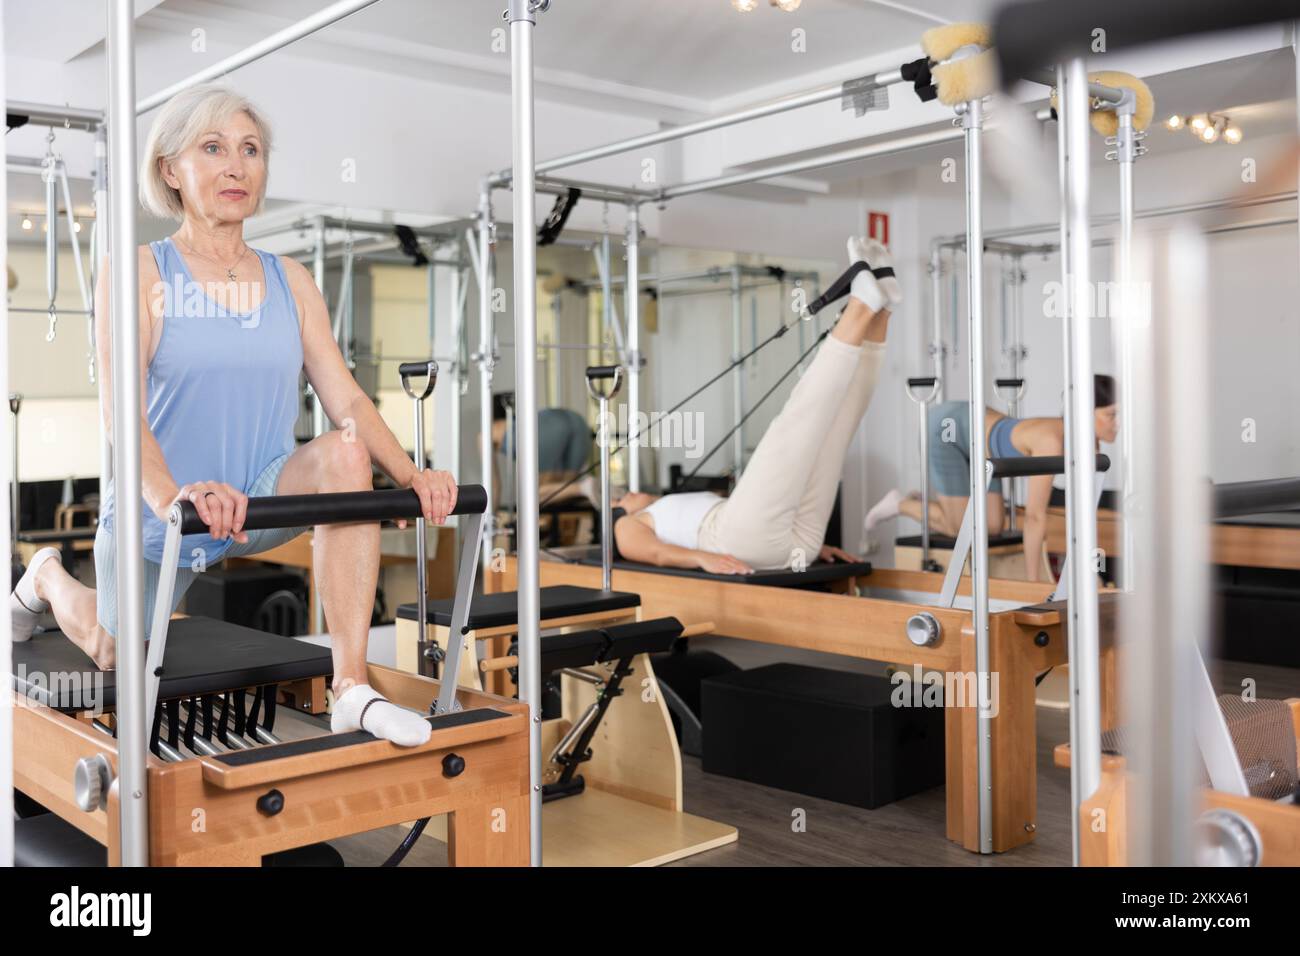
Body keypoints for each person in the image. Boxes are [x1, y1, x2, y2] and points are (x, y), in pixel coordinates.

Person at [9, 85, 455, 747]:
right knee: (114, 652)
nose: (235, 166)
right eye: (212, 148)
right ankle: (46, 575)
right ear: (170, 170)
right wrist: (173, 497)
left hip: (259, 498)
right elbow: (120, 413)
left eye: (250, 150)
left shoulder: (291, 280)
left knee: (345, 454)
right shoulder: (139, 274)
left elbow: (349, 401)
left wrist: (411, 473)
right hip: (162, 514)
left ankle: (351, 688)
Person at [612, 237, 901, 573]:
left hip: (791, 544)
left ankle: (881, 312)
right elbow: (658, 556)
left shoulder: (668, 508)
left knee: (835, 430)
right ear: (620, 512)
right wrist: (704, 560)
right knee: (795, 425)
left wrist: (813, 549)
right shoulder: (628, 526)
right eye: (620, 499)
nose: (629, 494)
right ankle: (862, 305)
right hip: (735, 542)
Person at [864, 375, 1118, 582]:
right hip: (947, 428)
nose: (1117, 424)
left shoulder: (1091, 447)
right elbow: (1034, 516)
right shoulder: (1052, 441)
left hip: (983, 449)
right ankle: (900, 503)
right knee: (960, 527)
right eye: (1111, 415)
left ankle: (928, 501)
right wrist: (1034, 583)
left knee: (992, 526)